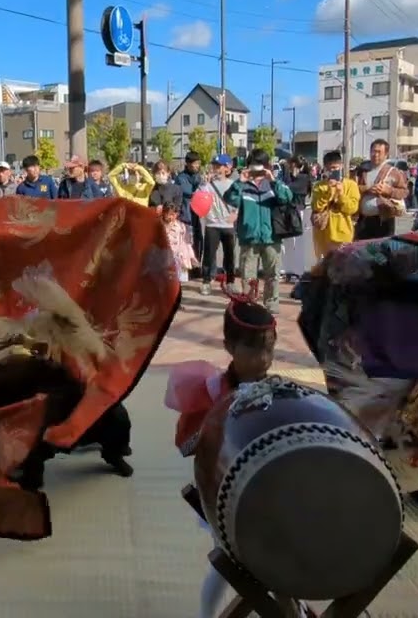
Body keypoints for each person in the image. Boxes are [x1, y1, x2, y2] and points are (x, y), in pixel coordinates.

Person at [163, 295, 283, 618]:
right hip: (224, 491)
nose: (264, 358)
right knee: (227, 561)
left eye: (269, 349)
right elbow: (186, 445)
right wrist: (220, 418)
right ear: (230, 347)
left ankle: (288, 609)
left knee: (282, 553)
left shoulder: (276, 388)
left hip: (268, 487)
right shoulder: (212, 389)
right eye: (254, 349)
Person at [233, 149, 293, 312]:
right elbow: (230, 199)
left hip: (271, 236)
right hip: (249, 237)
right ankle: (248, 302)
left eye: (260, 165)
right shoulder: (243, 185)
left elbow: (287, 198)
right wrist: (240, 181)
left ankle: (271, 303)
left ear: (267, 166)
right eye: (254, 165)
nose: (257, 169)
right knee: (248, 274)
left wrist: (272, 180)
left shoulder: (274, 184)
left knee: (273, 273)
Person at [198, 155, 238, 297]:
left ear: (227, 168)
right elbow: (198, 201)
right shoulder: (207, 185)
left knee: (230, 255)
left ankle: (230, 282)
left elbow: (239, 202)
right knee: (209, 254)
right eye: (214, 165)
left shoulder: (233, 184)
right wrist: (203, 183)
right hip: (212, 224)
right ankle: (206, 281)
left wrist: (236, 214)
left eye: (219, 166)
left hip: (228, 225)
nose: (216, 169)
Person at [310, 150, 361, 261]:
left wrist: (341, 194)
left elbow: (352, 208)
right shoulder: (319, 186)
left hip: (342, 232)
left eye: (335, 168)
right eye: (329, 169)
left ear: (341, 166)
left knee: (342, 266)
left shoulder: (351, 185)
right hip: (323, 234)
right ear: (324, 168)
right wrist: (329, 190)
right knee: (325, 267)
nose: (332, 171)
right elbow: (317, 207)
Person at [354, 138, 409, 240]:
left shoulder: (394, 172)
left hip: (384, 220)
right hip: (363, 219)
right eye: (373, 151)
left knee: (381, 251)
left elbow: (404, 192)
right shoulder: (362, 171)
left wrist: (388, 190)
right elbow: (353, 188)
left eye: (379, 152)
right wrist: (367, 188)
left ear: (386, 154)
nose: (375, 155)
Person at [280, 156, 314, 281]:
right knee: (287, 241)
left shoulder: (304, 178)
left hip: (299, 212)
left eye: (291, 165)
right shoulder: (290, 176)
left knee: (298, 242)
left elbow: (288, 187)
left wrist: (289, 174)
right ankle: (286, 269)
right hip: (288, 211)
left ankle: (297, 271)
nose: (290, 168)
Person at [175, 151, 204, 264]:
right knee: (187, 243)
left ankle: (197, 266)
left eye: (198, 163)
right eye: (195, 163)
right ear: (187, 163)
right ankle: (187, 268)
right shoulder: (180, 178)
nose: (197, 166)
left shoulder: (198, 177)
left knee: (198, 241)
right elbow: (188, 192)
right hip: (185, 216)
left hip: (196, 216)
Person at [163, 203, 197, 286]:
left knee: (178, 281)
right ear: (164, 213)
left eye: (174, 214)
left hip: (178, 257)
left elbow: (186, 242)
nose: (171, 217)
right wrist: (168, 228)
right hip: (164, 257)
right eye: (169, 214)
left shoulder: (181, 226)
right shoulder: (161, 225)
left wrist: (192, 256)